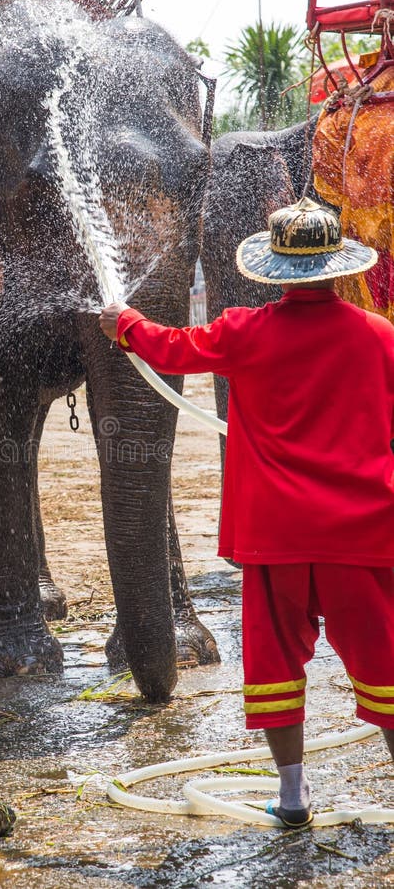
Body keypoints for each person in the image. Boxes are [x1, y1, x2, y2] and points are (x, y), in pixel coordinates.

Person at [99, 197, 394, 828]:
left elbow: (171, 349)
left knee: (276, 664)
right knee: (385, 662)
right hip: (363, 532)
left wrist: (124, 324)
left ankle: (292, 797)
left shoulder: (245, 331)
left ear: (276, 270)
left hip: (276, 536)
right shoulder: (380, 337)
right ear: (337, 267)